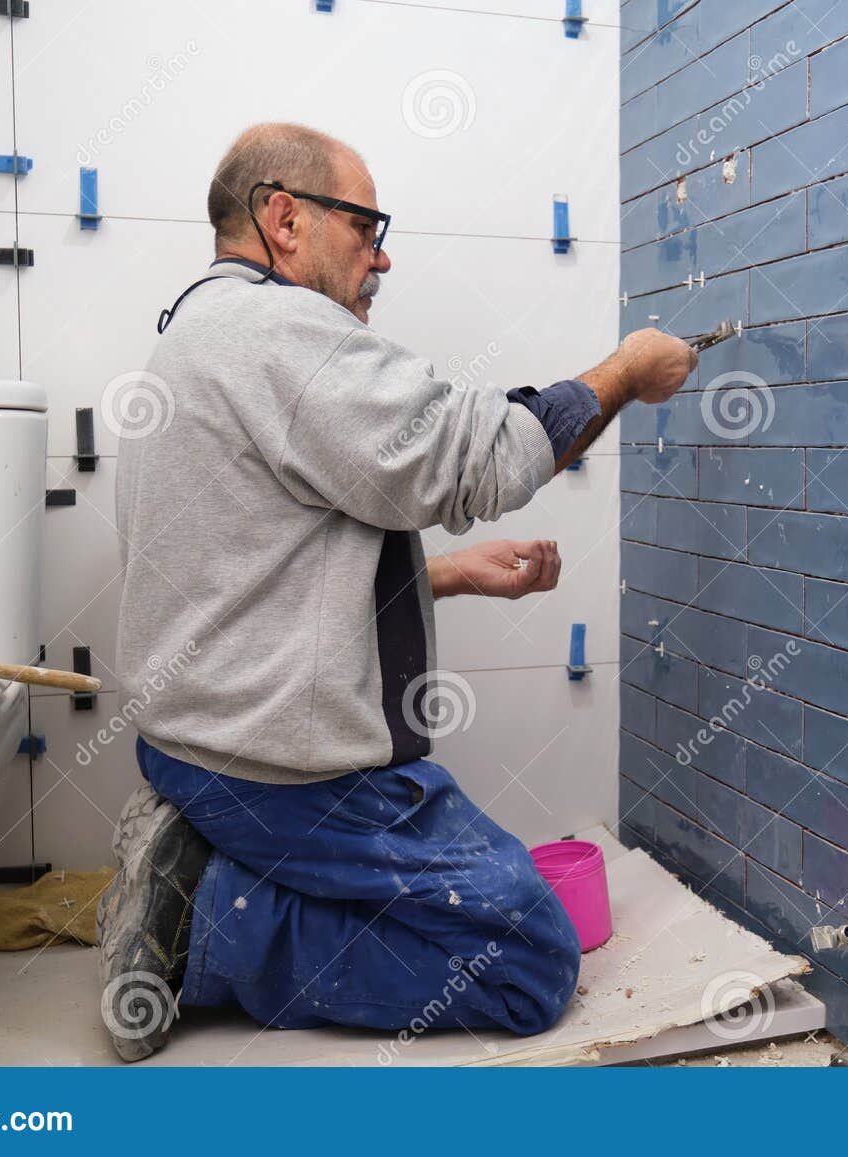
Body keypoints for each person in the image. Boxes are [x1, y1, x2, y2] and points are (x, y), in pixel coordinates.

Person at [96, 122, 697, 1061]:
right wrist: (625, 372)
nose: (381, 254)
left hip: (193, 748)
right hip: (279, 774)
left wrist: (443, 575)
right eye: (364, 224)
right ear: (284, 218)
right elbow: (483, 460)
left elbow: (260, 560)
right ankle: (203, 925)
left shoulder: (196, 332)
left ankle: (205, 856)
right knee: (528, 956)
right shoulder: (283, 331)